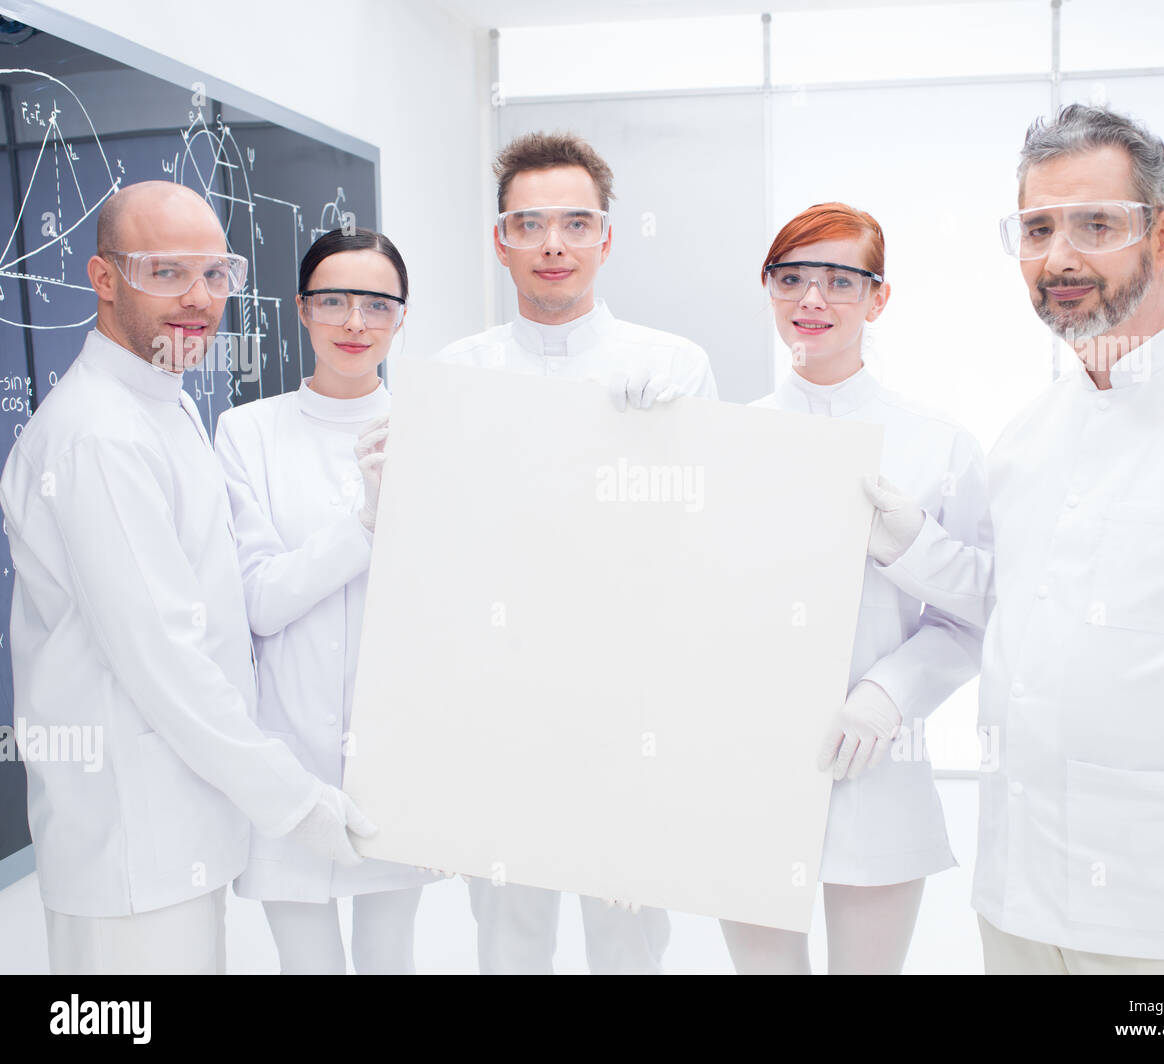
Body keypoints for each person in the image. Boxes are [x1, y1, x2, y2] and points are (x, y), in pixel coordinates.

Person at [866, 105, 1164, 974]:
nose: (1060, 258)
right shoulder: (1027, 437)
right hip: (1018, 909)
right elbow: (1029, 616)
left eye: (1095, 224)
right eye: (1037, 229)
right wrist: (912, 547)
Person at [0, 182, 375, 975]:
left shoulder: (162, 407)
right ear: (104, 280)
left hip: (178, 826)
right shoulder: (98, 436)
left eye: (216, 274)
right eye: (167, 273)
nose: (200, 301)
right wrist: (298, 799)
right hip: (132, 839)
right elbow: (163, 658)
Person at [433, 130, 718, 974]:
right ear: (500, 241)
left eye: (574, 223)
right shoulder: (456, 373)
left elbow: (706, 539)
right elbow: (445, 555)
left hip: (630, 703)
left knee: (629, 934)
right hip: (501, 700)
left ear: (606, 238)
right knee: (508, 932)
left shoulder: (673, 365)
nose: (552, 244)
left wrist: (667, 446)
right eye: (528, 224)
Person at [715, 203, 991, 974]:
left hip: (879, 765)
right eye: (792, 279)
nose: (812, 300)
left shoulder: (939, 443)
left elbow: (978, 608)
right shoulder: (727, 440)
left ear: (879, 298)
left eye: (840, 281)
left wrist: (891, 691)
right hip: (750, 764)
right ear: (767, 289)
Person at [213, 228, 435, 974]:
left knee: (388, 959)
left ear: (402, 317)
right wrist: (366, 522)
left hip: (399, 752)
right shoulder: (246, 434)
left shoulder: (437, 435)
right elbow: (260, 602)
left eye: (377, 304)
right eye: (332, 301)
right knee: (305, 965)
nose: (354, 323)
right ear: (301, 311)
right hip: (290, 760)